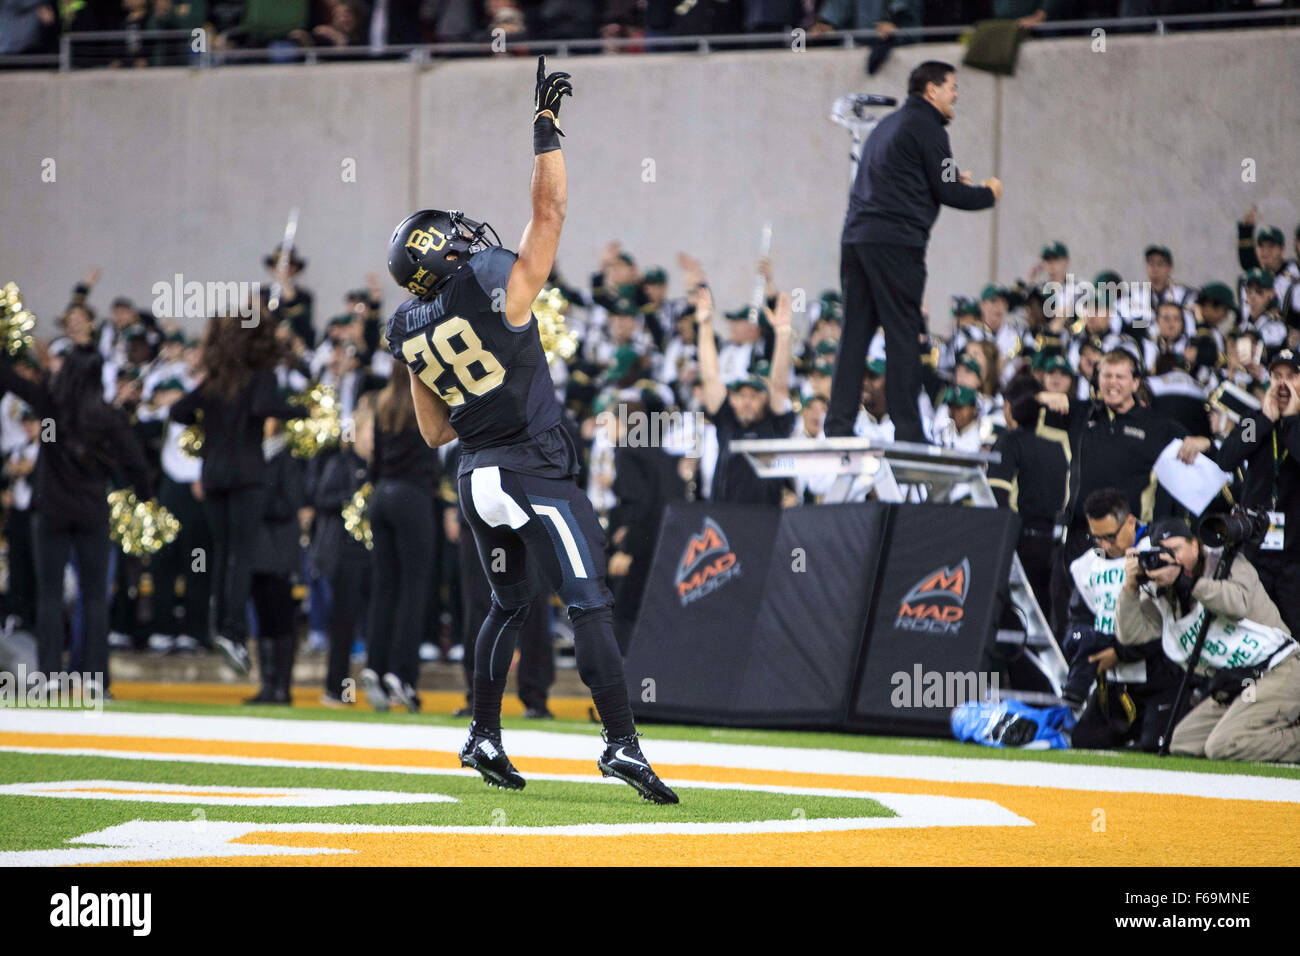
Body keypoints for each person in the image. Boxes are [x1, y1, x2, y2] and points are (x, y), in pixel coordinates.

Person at [381, 57, 677, 804]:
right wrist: (546, 132)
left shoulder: (410, 326)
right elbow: (548, 217)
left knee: (507, 607)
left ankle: (483, 733)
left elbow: (433, 431)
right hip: (531, 468)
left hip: (475, 476)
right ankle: (621, 745)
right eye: (453, 235)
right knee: (589, 602)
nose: (467, 236)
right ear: (444, 254)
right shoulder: (490, 290)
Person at [828, 60, 1000, 443]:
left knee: (855, 333)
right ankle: (908, 430)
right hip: (894, 244)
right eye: (952, 86)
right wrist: (989, 193)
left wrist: (949, 180)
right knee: (903, 333)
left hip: (857, 239)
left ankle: (837, 424)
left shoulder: (887, 126)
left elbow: (918, 180)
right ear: (931, 90)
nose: (956, 94)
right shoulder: (928, 127)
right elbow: (949, 192)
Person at [0, 345, 152, 695]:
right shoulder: (107, 416)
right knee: (95, 596)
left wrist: (10, 340)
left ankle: (49, 675)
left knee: (49, 595)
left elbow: (8, 377)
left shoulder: (49, 404)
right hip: (91, 514)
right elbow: (136, 464)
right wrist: (143, 496)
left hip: (50, 512)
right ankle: (97, 679)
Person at [169, 316, 307, 676]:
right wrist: (300, 409)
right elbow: (264, 407)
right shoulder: (260, 376)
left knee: (222, 553)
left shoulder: (216, 381)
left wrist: (209, 426)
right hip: (247, 477)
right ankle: (233, 631)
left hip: (213, 476)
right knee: (242, 555)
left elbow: (177, 410)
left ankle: (220, 627)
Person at [1117, 518, 1300, 762]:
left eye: (1176, 549)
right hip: (1240, 684)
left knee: (1223, 746)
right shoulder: (1163, 592)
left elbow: (1237, 604)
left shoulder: (1225, 563)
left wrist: (1187, 581)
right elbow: (1130, 633)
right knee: (1183, 742)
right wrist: (1129, 588)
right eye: (1163, 552)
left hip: (1281, 669)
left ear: (1195, 545)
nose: (1169, 558)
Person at [1064, 490, 1183, 751]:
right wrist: (1084, 648)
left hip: (1158, 673)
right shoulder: (1086, 565)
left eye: (1110, 536)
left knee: (1154, 745)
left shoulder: (1158, 552)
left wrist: (1120, 651)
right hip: (1113, 681)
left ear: (1130, 522)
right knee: (1085, 740)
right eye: (1097, 538)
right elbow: (1078, 620)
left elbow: (1173, 623)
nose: (1104, 546)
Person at [357, 362, 439, 714]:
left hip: (381, 495)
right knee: (414, 588)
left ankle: (374, 666)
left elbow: (374, 460)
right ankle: (402, 675)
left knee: (384, 587)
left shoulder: (383, 401)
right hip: (413, 497)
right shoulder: (426, 400)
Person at [1207, 348, 1300, 637]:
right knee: (1252, 631)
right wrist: (1264, 419)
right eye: (1276, 376)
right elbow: (1227, 458)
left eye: (1292, 376)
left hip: (1295, 555)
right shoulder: (1253, 419)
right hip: (1255, 550)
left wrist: (1293, 420)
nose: (1283, 384)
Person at [695, 287, 796, 506]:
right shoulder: (726, 421)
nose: (747, 401)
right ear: (732, 399)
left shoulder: (774, 424)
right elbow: (711, 377)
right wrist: (704, 325)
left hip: (766, 522)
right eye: (741, 395)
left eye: (755, 395)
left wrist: (783, 333)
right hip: (723, 520)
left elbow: (779, 385)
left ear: (766, 399)